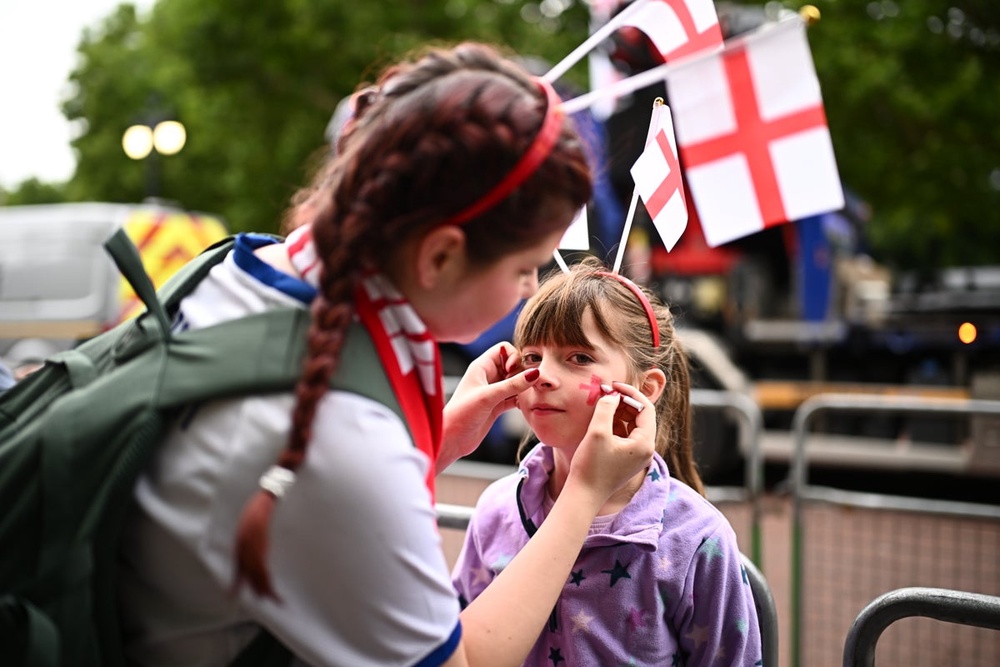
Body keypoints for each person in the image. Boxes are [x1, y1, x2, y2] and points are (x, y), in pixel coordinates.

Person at [116, 42, 657, 667]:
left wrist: (442, 438)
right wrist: (584, 494)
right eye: (523, 267)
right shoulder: (341, 440)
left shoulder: (241, 266)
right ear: (440, 257)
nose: (531, 290)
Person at [451, 257, 762, 666]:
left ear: (645, 387)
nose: (543, 374)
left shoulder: (696, 539)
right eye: (531, 357)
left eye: (578, 357)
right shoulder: (496, 510)